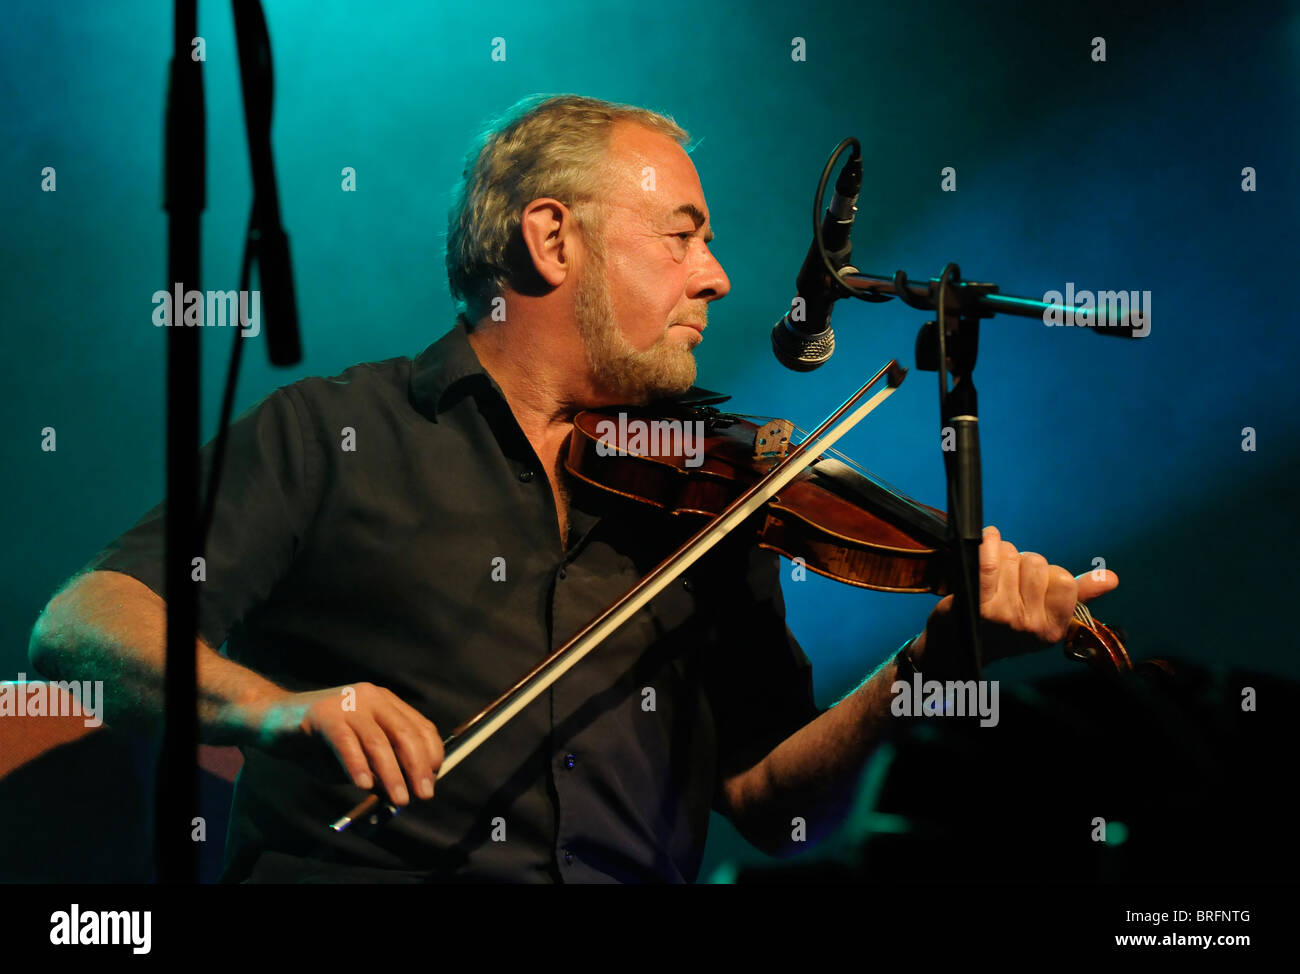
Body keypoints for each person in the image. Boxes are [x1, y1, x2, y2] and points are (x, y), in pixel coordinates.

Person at [27, 94, 1118, 883]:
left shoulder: (713, 493)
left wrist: (930, 660)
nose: (719, 275)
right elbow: (78, 627)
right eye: (682, 236)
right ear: (552, 238)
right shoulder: (339, 431)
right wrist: (273, 710)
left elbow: (768, 803)